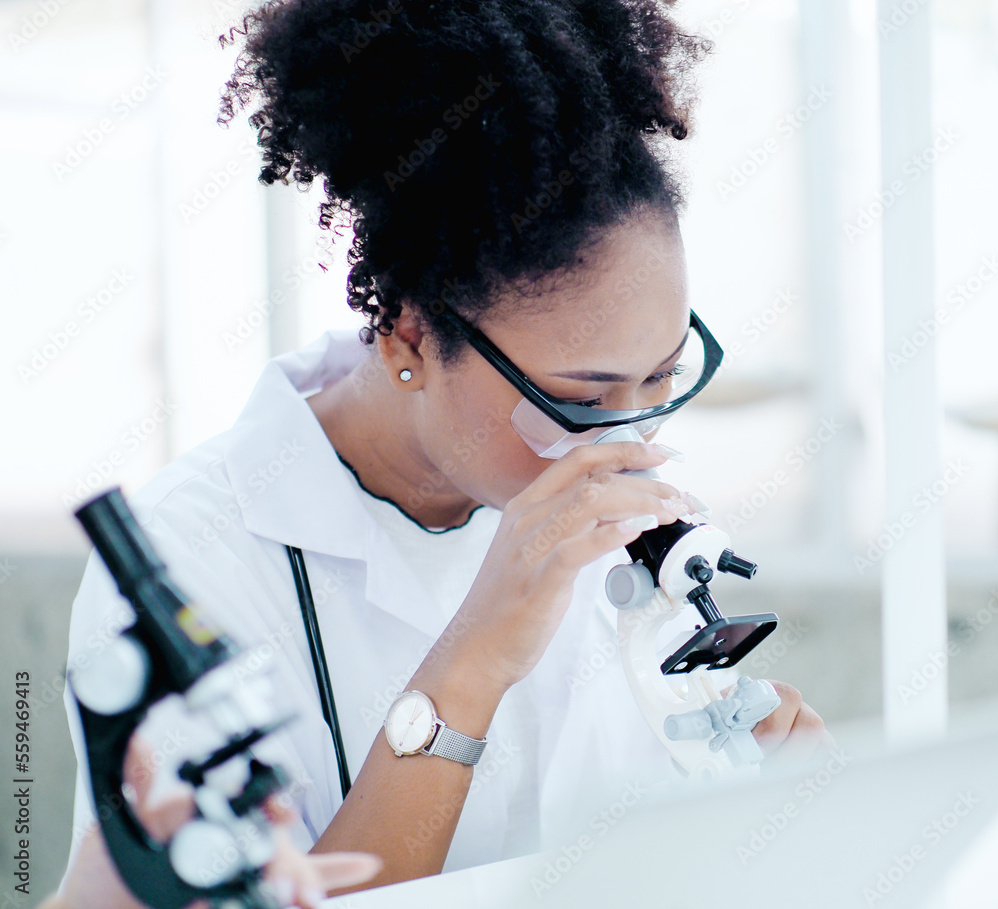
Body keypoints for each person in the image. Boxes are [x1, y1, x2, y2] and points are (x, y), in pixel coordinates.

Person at [57, 0, 832, 903]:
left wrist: (760, 817)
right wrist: (471, 663)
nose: (627, 442)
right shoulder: (187, 562)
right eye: (580, 400)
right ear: (411, 338)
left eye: (660, 380)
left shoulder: (616, 536)